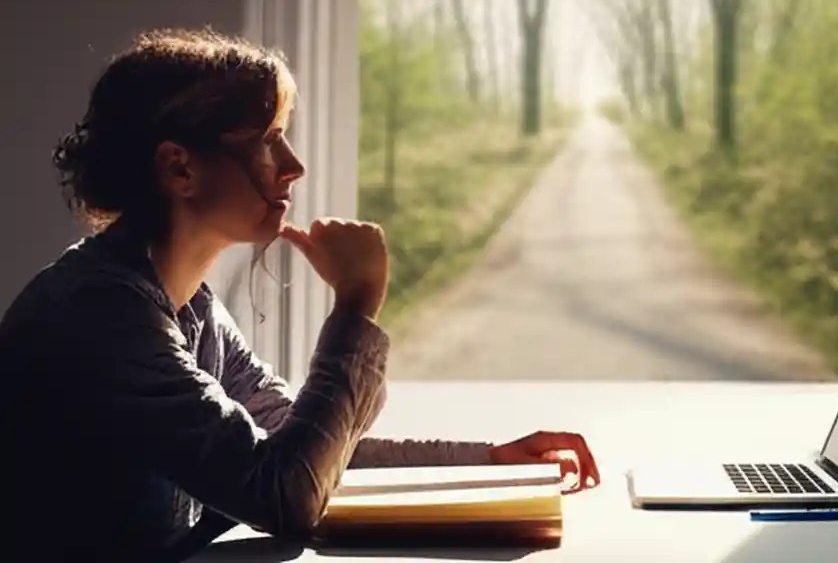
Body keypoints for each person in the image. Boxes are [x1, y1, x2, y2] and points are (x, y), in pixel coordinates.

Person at [0, 29, 600, 561]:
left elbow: (310, 451)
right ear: (180, 169)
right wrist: (356, 306)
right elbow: (287, 496)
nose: (293, 166)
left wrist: (491, 461)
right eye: (268, 141)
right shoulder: (102, 315)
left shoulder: (190, 308)